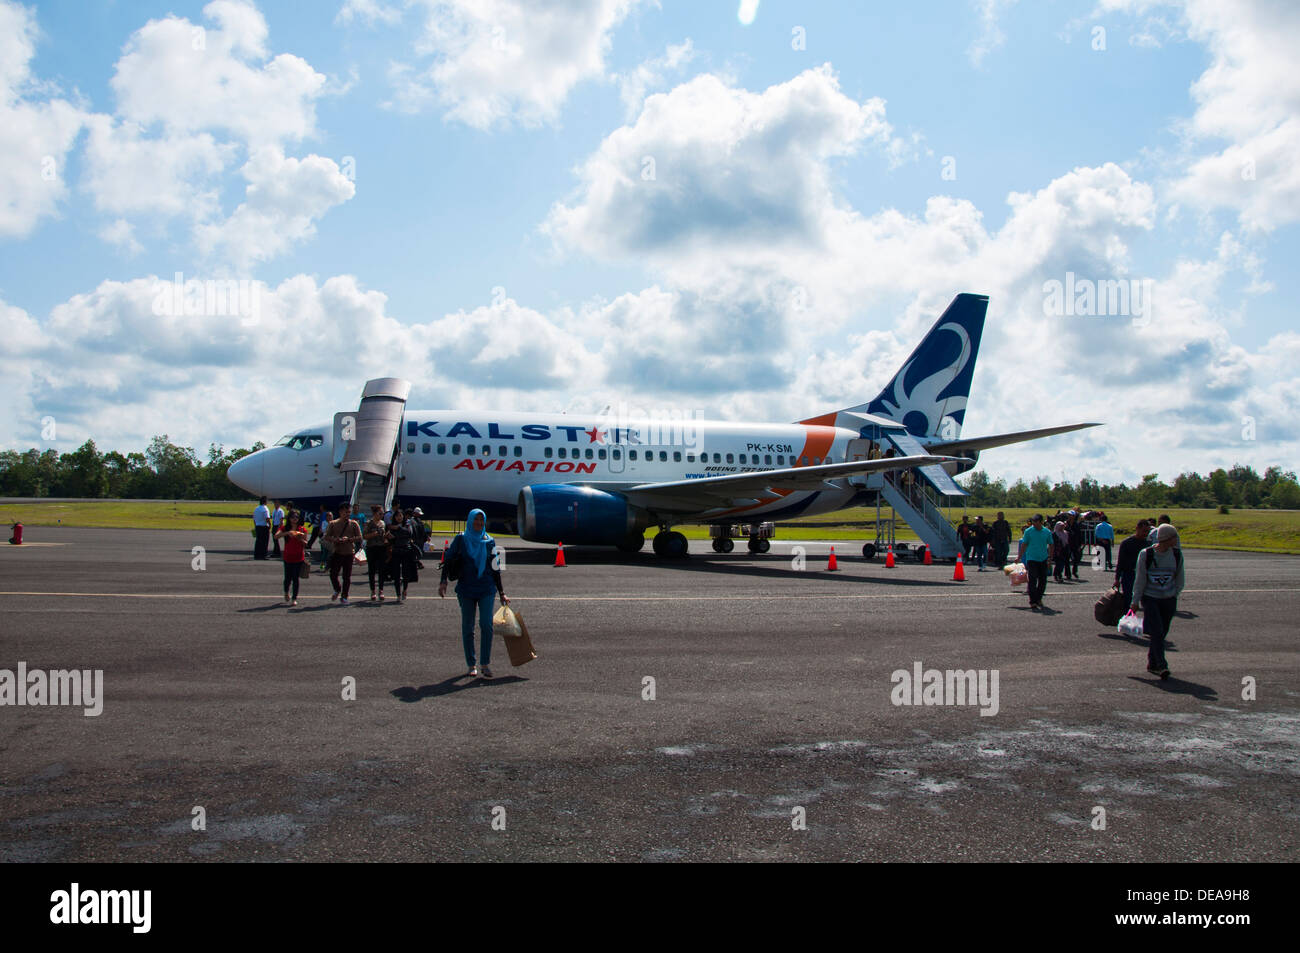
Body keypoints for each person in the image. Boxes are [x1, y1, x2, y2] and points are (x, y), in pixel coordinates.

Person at [439, 508, 509, 679]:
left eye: (481, 520)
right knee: (468, 627)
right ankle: (471, 664)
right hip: (466, 589)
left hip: (486, 588)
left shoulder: (490, 541)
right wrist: (443, 581)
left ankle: (485, 663)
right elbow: (448, 560)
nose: (478, 523)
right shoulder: (461, 539)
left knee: (486, 625)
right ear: (470, 521)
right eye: (476, 520)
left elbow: (495, 569)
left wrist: (501, 592)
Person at [1131, 524, 1185, 679]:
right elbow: (1140, 579)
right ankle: (1161, 665)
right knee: (1157, 631)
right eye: (1174, 536)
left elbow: (1180, 578)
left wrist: (1174, 593)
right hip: (1150, 598)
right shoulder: (1146, 554)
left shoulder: (1176, 555)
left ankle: (1152, 663)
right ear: (1166, 538)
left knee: (1161, 633)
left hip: (1168, 599)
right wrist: (1135, 601)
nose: (1176, 539)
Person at [324, 502, 362, 605]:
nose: (348, 514)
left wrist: (349, 539)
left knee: (347, 576)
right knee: (333, 574)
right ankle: (337, 588)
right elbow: (326, 537)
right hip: (337, 552)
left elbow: (359, 537)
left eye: (349, 512)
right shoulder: (333, 524)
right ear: (340, 512)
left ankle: (344, 596)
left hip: (349, 553)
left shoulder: (354, 524)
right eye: (346, 512)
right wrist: (336, 539)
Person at [1017, 514, 1054, 611]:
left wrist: (1050, 558)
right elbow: (1024, 544)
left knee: (1043, 581)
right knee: (1032, 580)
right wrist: (1019, 557)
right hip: (1032, 558)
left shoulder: (1047, 532)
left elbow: (1051, 544)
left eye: (1036, 522)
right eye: (1033, 522)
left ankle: (1039, 598)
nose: (1034, 524)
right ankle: (1032, 601)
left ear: (1041, 522)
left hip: (1043, 558)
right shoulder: (1028, 531)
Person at [386, 507, 420, 603]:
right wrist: (390, 537)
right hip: (396, 551)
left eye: (400, 515)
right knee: (396, 574)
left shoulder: (408, 524)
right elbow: (391, 539)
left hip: (406, 550)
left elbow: (409, 533)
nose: (399, 518)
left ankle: (405, 589)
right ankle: (398, 594)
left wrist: (399, 528)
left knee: (406, 572)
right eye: (397, 516)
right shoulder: (392, 526)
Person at [1114, 519, 1150, 607]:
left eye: (1148, 532)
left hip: (1143, 576)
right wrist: (1117, 579)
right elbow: (1120, 562)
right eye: (1144, 531)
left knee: (1146, 601)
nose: (1146, 534)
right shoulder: (1127, 543)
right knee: (1128, 601)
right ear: (1137, 528)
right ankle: (1128, 619)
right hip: (1129, 575)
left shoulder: (1148, 545)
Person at [275, 510, 309, 606]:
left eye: (296, 517)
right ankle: (286, 592)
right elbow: (276, 536)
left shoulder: (302, 529)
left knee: (295, 578)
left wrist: (300, 538)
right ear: (289, 519)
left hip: (298, 557)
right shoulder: (285, 528)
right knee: (287, 578)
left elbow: (306, 543)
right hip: (288, 556)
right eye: (293, 517)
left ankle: (294, 598)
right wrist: (287, 533)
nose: (295, 519)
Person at [363, 504, 389, 601]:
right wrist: (373, 534)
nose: (381, 515)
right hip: (372, 548)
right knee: (372, 570)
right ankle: (373, 591)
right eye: (380, 513)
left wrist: (386, 537)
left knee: (382, 570)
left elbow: (383, 535)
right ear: (374, 513)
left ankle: (381, 590)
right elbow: (364, 536)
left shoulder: (383, 523)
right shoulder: (368, 523)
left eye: (382, 513)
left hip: (381, 548)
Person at [252, 496, 271, 560]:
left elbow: (254, 519)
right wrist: (270, 525)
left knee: (258, 541)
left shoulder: (256, 509)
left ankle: (257, 555)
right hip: (264, 526)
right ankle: (263, 555)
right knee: (264, 542)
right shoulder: (265, 508)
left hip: (258, 526)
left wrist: (255, 525)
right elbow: (267, 518)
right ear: (265, 501)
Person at [1067, 511, 1084, 579]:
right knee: (1066, 560)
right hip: (1067, 544)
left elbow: (1079, 535)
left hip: (1075, 544)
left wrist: (1080, 545)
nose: (1070, 516)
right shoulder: (1065, 524)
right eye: (1069, 515)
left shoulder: (1077, 525)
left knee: (1076, 559)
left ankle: (1074, 571)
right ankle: (1068, 573)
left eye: (1071, 515)